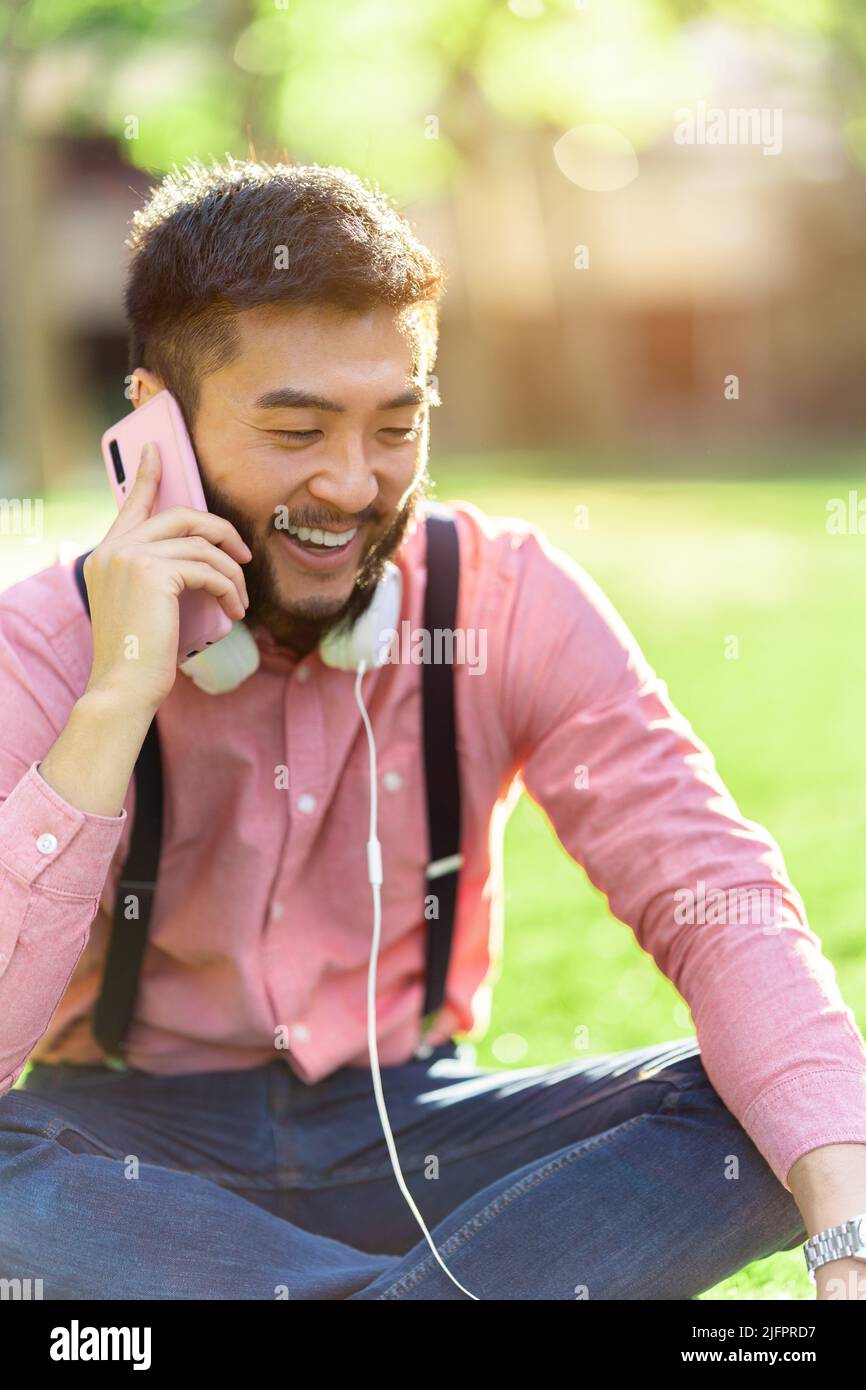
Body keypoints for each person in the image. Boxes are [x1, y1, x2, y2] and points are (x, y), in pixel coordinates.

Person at [0, 159, 864, 1301]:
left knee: (785, 1106)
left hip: (419, 1136)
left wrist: (844, 1238)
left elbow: (715, 895)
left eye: (395, 425)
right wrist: (113, 705)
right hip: (129, 1157)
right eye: (297, 430)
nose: (354, 485)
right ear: (155, 425)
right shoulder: (46, 641)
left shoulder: (505, 599)